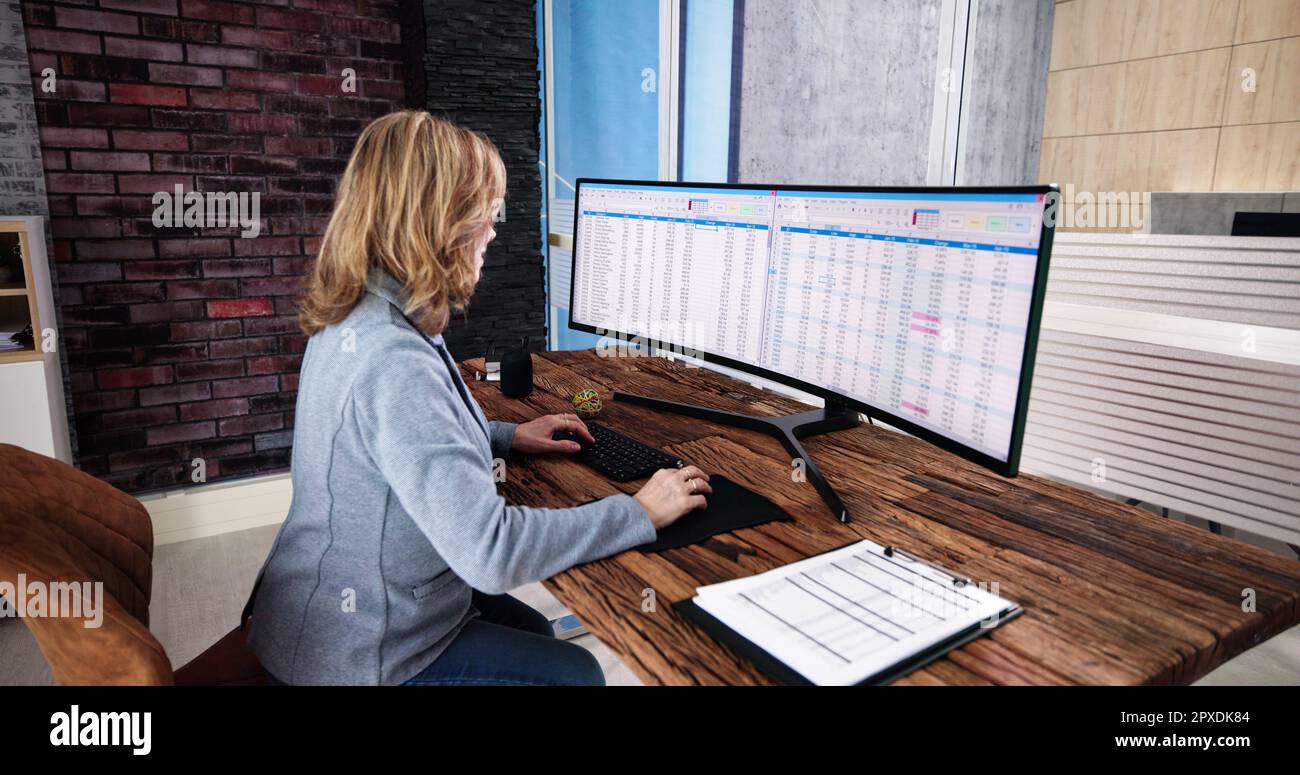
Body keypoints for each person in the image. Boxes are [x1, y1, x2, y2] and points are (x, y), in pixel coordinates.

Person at [244, 111, 711, 686]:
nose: (492, 229)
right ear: (436, 221)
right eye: (483, 212)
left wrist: (506, 436)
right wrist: (638, 512)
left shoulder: (365, 311)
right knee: (577, 674)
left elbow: (393, 443)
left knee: (536, 632)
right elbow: (491, 553)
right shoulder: (394, 360)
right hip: (359, 651)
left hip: (332, 604)